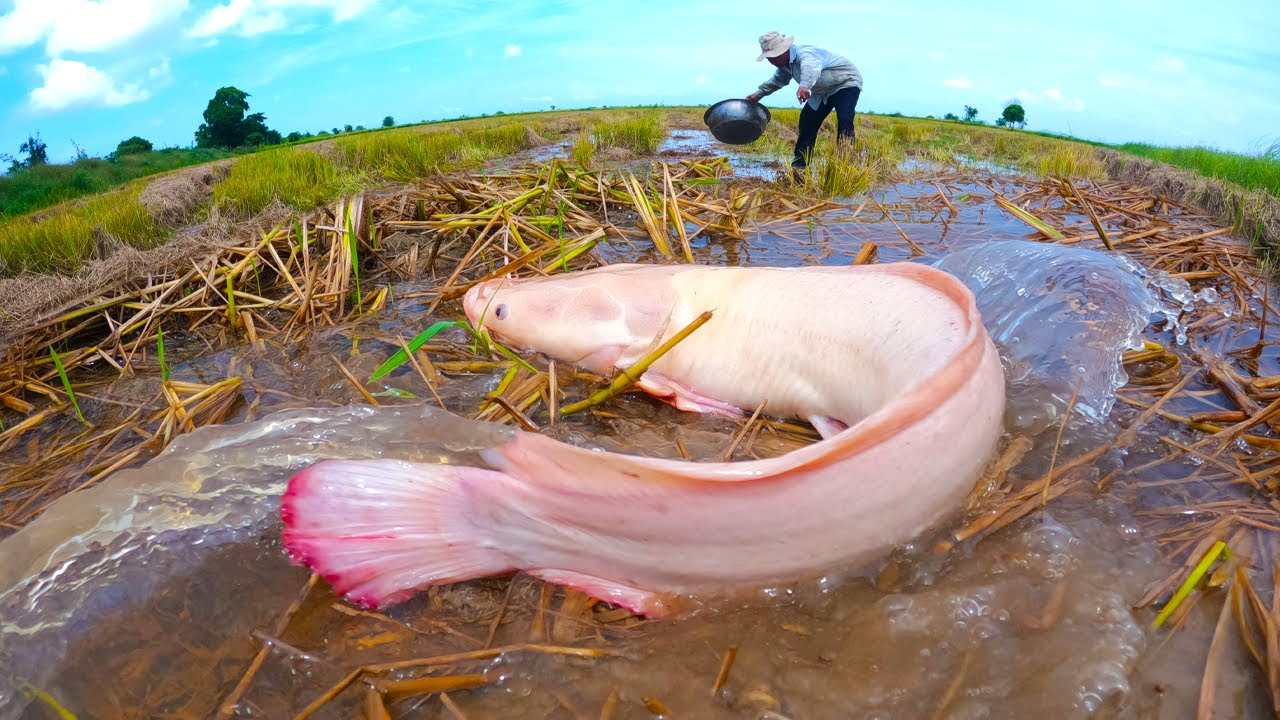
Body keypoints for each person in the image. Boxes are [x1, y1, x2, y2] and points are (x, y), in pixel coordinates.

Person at [746, 31, 863, 180]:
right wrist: (759, 94)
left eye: (773, 57)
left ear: (784, 51)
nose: (772, 62)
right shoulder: (785, 65)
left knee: (845, 119)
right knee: (807, 122)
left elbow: (811, 67)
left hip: (845, 83)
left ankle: (847, 166)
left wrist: (804, 85)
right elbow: (777, 80)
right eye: (769, 58)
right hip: (820, 92)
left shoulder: (805, 54)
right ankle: (800, 168)